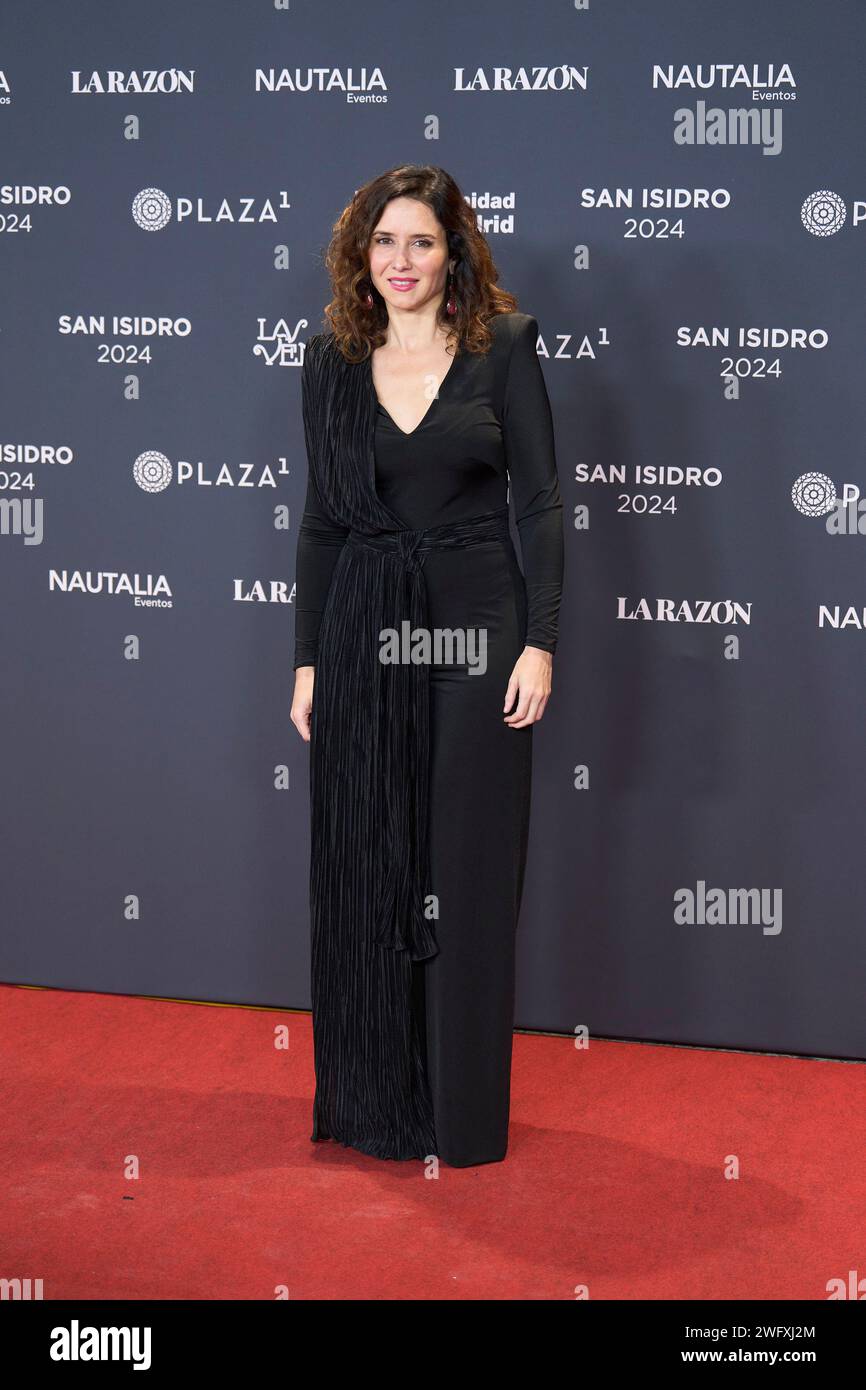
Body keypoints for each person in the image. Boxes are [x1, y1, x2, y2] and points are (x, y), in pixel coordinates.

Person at [290, 164, 564, 1168]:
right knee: (373, 863)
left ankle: (459, 1118)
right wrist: (308, 659)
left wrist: (538, 638)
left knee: (466, 874)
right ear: (360, 259)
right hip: (363, 633)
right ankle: (376, 1106)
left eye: (421, 243)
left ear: (455, 258)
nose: (400, 262)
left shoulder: (504, 351)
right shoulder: (327, 363)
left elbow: (538, 503)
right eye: (383, 243)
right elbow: (320, 521)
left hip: (477, 635)